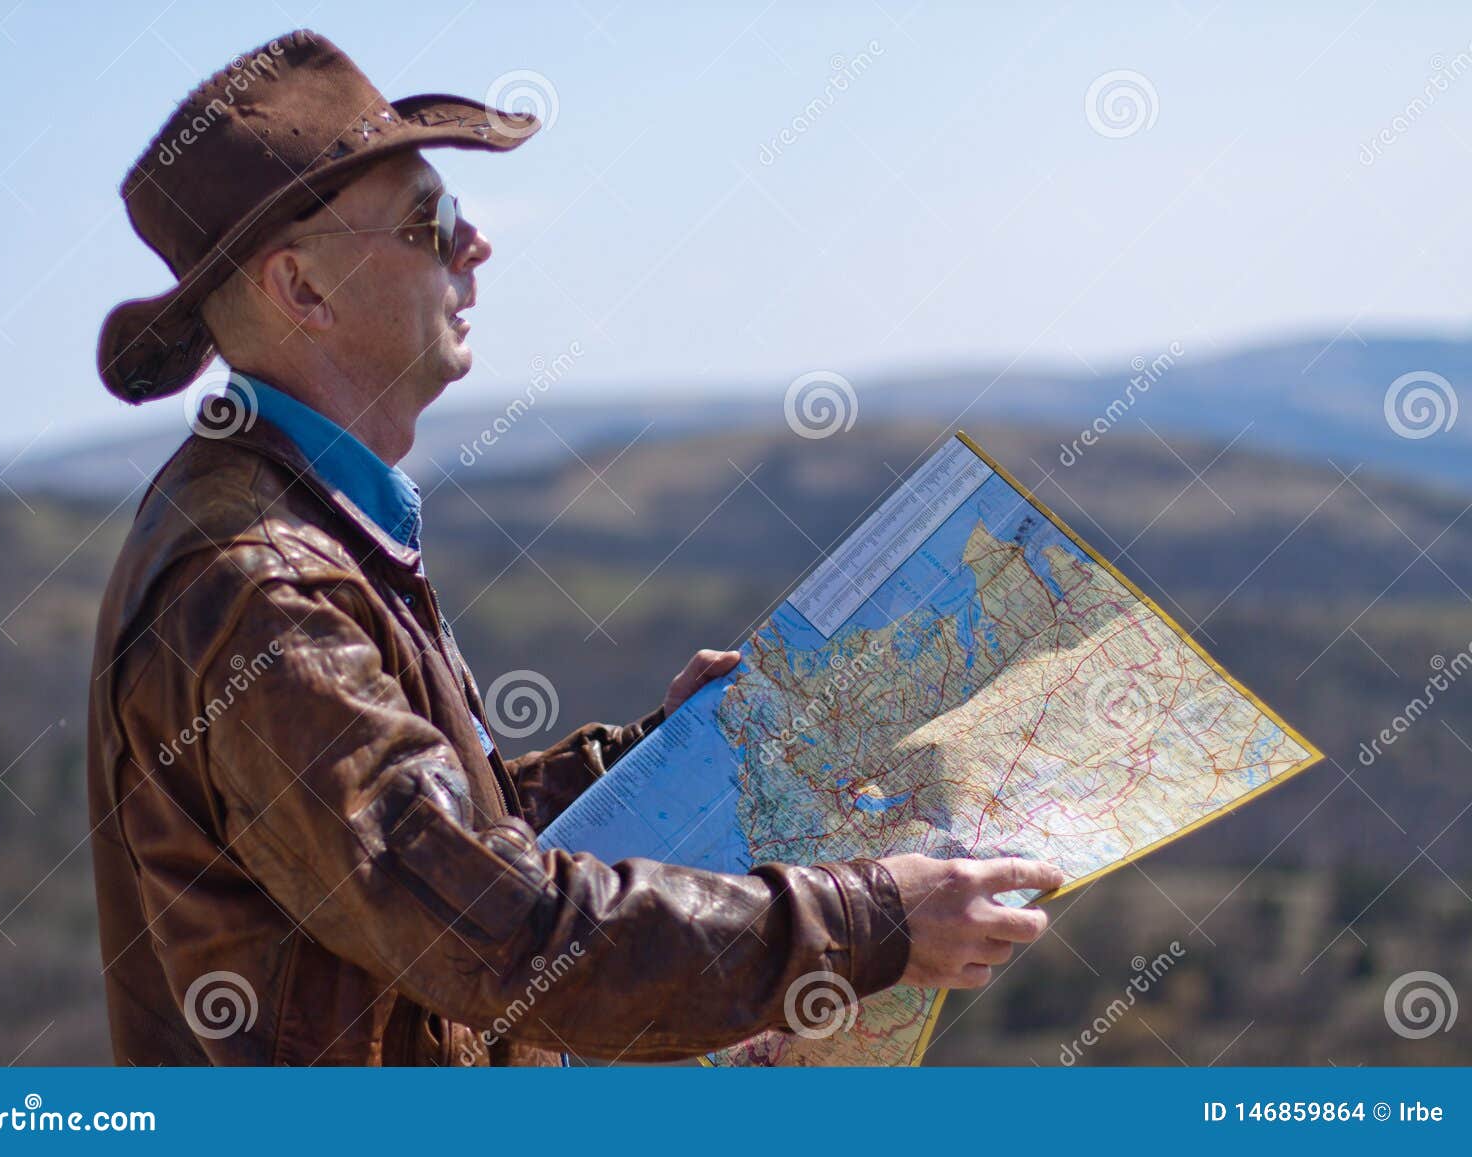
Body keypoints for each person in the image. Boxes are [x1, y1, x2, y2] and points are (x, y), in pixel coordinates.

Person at [88, 29, 1062, 1066]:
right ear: (303, 291)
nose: (476, 246)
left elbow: (419, 848)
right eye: (431, 220)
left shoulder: (300, 528)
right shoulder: (259, 587)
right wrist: (864, 922)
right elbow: (497, 934)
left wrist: (652, 758)